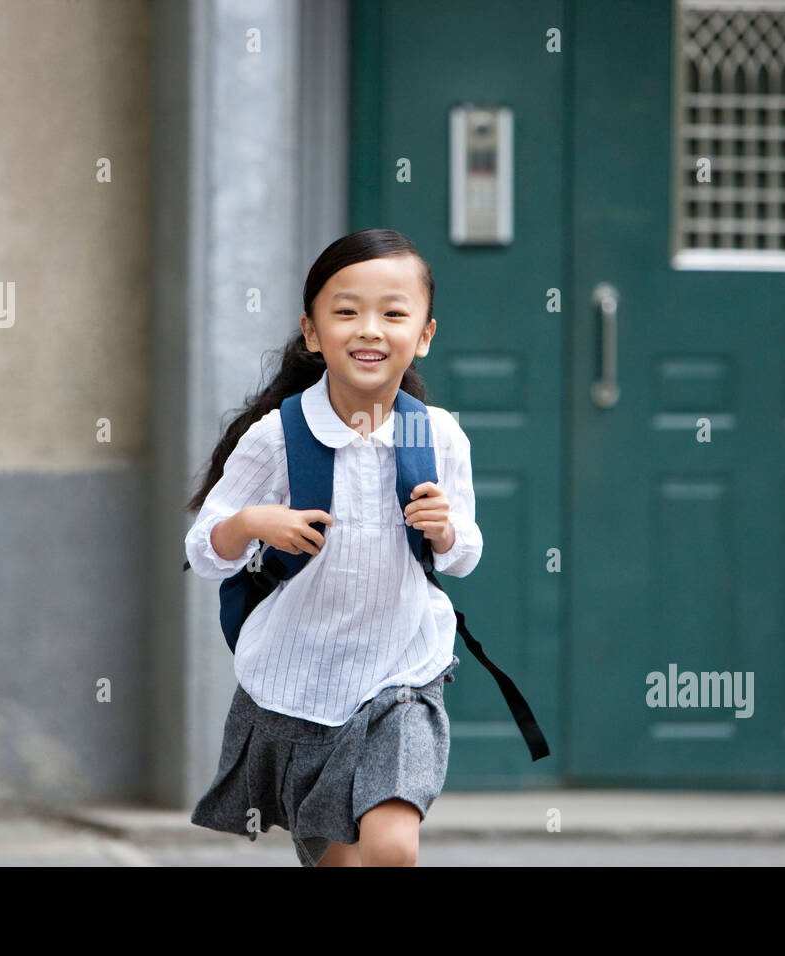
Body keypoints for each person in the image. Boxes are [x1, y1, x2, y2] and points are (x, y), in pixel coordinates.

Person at [182, 228, 481, 867]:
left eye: (393, 314)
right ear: (312, 333)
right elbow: (205, 549)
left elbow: (463, 554)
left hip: (403, 671)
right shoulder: (275, 438)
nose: (369, 329)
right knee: (339, 860)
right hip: (303, 681)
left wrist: (445, 530)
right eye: (346, 312)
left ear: (424, 334)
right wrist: (256, 522)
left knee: (394, 847)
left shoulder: (440, 437)